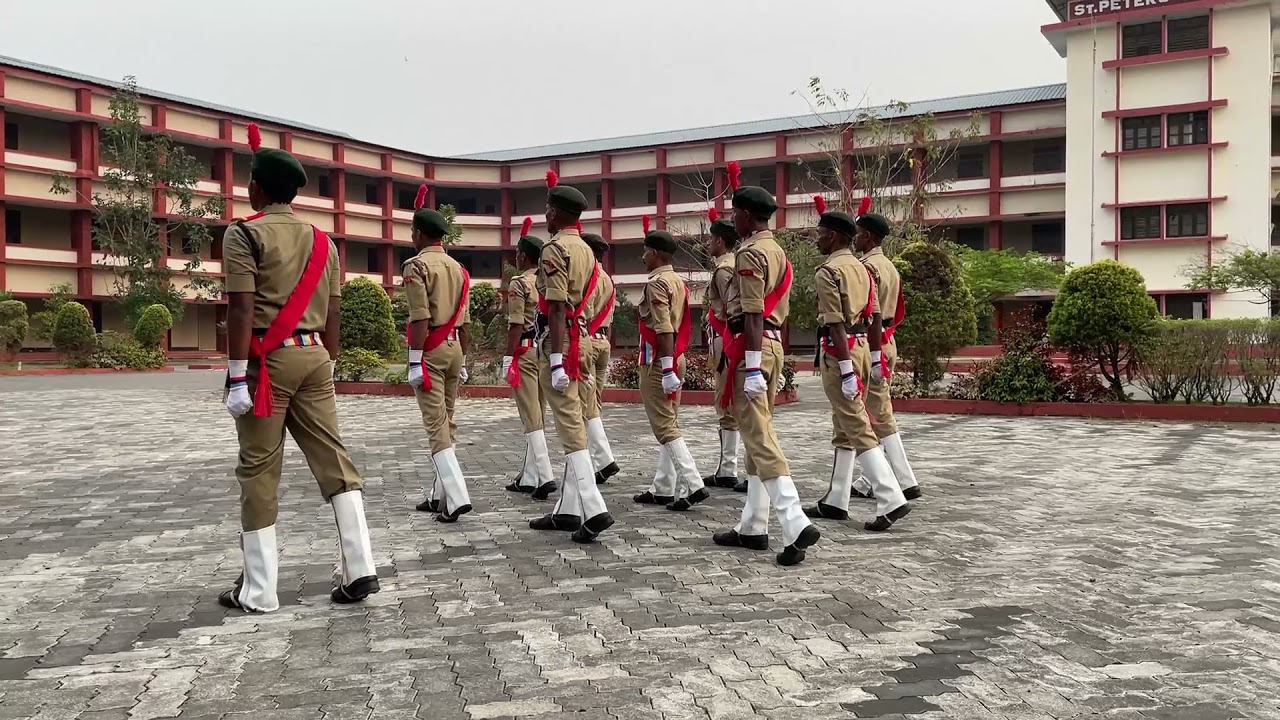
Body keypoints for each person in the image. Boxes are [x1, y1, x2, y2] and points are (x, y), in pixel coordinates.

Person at [220, 123, 377, 611]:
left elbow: (241, 309)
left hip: (268, 365)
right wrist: (328, 360)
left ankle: (259, 589)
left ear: (258, 188)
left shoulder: (243, 234)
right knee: (333, 458)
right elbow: (334, 313)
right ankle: (360, 567)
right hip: (314, 356)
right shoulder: (323, 241)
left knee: (259, 469)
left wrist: (236, 375)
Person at [711, 161, 821, 566]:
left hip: (753, 347)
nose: (732, 221)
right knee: (757, 432)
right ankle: (753, 525)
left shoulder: (752, 253)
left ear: (745, 215)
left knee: (758, 436)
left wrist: (753, 366)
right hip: (770, 346)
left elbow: (753, 313)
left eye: (734, 214)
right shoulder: (778, 251)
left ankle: (794, 521)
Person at [803, 196, 911, 531]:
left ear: (834, 236)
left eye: (820, 233)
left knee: (856, 423)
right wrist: (874, 358)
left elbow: (835, 323)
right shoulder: (864, 269)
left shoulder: (829, 271)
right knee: (845, 425)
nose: (817, 239)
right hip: (864, 346)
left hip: (842, 352)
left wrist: (847, 370)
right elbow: (875, 316)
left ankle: (891, 497)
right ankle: (837, 499)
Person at [528, 171, 614, 543]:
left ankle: (593, 508)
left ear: (557, 212)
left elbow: (557, 305)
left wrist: (556, 359)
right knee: (576, 417)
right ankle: (568, 509)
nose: (545, 215)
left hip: (562, 342)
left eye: (548, 209)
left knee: (570, 426)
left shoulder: (555, 249)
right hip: (582, 338)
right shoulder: (587, 252)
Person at [403, 184, 473, 522]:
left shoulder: (416, 266)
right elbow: (466, 321)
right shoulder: (459, 269)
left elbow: (419, 317)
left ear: (418, 233)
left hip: (429, 350)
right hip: (454, 348)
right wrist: (465, 359)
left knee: (435, 426)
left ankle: (456, 497)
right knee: (447, 420)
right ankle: (440, 495)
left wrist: (414, 361)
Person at [632, 216, 709, 512]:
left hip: (658, 361)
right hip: (676, 357)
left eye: (644, 252)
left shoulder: (657, 283)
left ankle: (693, 482)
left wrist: (665, 369)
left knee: (664, 426)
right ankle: (663, 485)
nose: (642, 257)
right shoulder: (677, 281)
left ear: (654, 253)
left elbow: (663, 328)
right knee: (670, 423)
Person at [851, 210, 923, 503]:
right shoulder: (889, 266)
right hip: (886, 339)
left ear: (868, 236)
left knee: (877, 414)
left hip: (872, 342)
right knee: (875, 412)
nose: (855, 239)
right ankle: (868, 481)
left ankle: (905, 480)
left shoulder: (867, 267)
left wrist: (872, 353)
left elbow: (869, 311)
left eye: (858, 234)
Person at [502, 217, 556, 499]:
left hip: (524, 349)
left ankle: (545, 475)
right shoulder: (546, 281)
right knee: (539, 412)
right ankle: (530, 476)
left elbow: (514, 324)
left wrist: (507, 357)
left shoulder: (519, 283)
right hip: (543, 350)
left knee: (530, 415)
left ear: (523, 256)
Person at [701, 207, 745, 492]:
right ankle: (727, 467)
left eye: (710, 239)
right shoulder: (727, 265)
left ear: (720, 241)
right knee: (726, 402)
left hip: (726, 338)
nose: (708, 244)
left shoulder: (724, 269)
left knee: (728, 402)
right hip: (722, 337)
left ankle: (730, 467)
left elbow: (730, 308)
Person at [580, 232, 621, 485]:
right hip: (604, 341)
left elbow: (583, 312)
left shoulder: (589, 277)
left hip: (588, 341)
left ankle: (604, 460)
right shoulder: (608, 279)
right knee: (594, 401)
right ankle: (597, 461)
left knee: (586, 404)